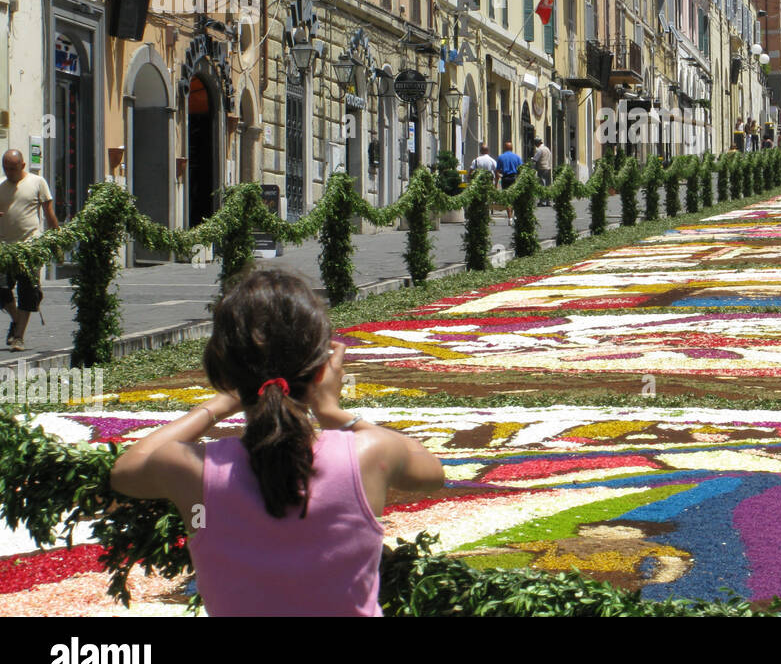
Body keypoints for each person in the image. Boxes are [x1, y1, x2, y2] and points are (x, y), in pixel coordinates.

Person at [108, 269, 444, 617]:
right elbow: (431, 470)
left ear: (222, 373)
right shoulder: (370, 454)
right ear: (321, 369)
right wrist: (331, 411)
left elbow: (126, 470)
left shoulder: (189, 469)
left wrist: (219, 404)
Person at [0, 149, 60, 351]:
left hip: (30, 247)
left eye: (13, 168)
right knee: (2, 289)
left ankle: (18, 337)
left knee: (27, 291)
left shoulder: (37, 182)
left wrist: (57, 240)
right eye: (6, 168)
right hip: (5, 248)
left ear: (23, 166)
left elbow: (49, 213)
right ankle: (16, 319)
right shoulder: (0, 185)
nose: (9, 172)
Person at [497, 140, 523, 223]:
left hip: (505, 179)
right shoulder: (517, 157)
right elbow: (522, 169)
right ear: (512, 148)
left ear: (504, 148)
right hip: (514, 178)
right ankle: (515, 215)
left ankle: (509, 218)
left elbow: (497, 171)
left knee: (507, 198)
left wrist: (498, 179)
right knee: (515, 197)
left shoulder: (501, 157)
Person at [532, 137, 553, 203]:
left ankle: (541, 200)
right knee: (548, 185)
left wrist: (531, 159)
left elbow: (535, 159)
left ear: (537, 143)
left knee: (541, 184)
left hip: (542, 168)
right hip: (548, 168)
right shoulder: (547, 149)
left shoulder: (540, 150)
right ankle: (548, 201)